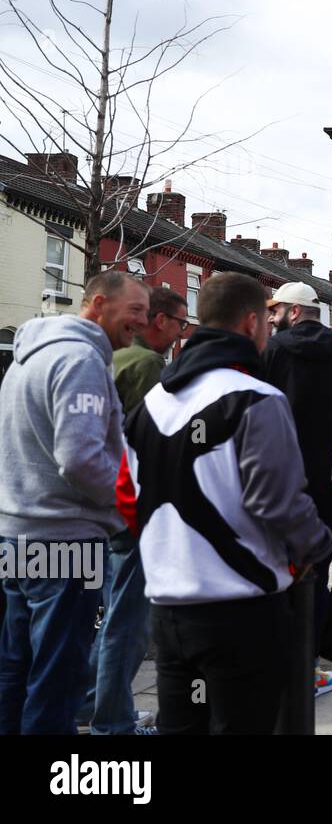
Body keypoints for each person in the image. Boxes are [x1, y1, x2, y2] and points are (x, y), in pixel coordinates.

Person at [122, 272, 332, 734]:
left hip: (168, 609)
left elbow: (124, 493)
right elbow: (276, 503)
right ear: (252, 323)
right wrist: (319, 545)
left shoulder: (152, 401)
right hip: (241, 610)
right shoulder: (257, 399)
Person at [0, 271, 149, 735]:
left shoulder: (28, 355)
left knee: (15, 670)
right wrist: (127, 506)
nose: (141, 323)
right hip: (67, 540)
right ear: (98, 304)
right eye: (135, 311)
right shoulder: (82, 359)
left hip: (16, 534)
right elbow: (80, 457)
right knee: (57, 680)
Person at [81, 284, 189, 735]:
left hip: (97, 513)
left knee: (103, 618)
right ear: (160, 321)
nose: (182, 333)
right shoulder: (146, 363)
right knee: (127, 625)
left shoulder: (110, 358)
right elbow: (152, 439)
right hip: (132, 509)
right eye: (180, 323)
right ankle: (113, 722)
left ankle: (89, 704)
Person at [263, 280, 332, 697]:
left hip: (278, 481)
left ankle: (278, 663)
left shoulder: (272, 351)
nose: (271, 318)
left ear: (294, 312)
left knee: (275, 568)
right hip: (330, 480)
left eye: (276, 311)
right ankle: (305, 665)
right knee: (316, 569)